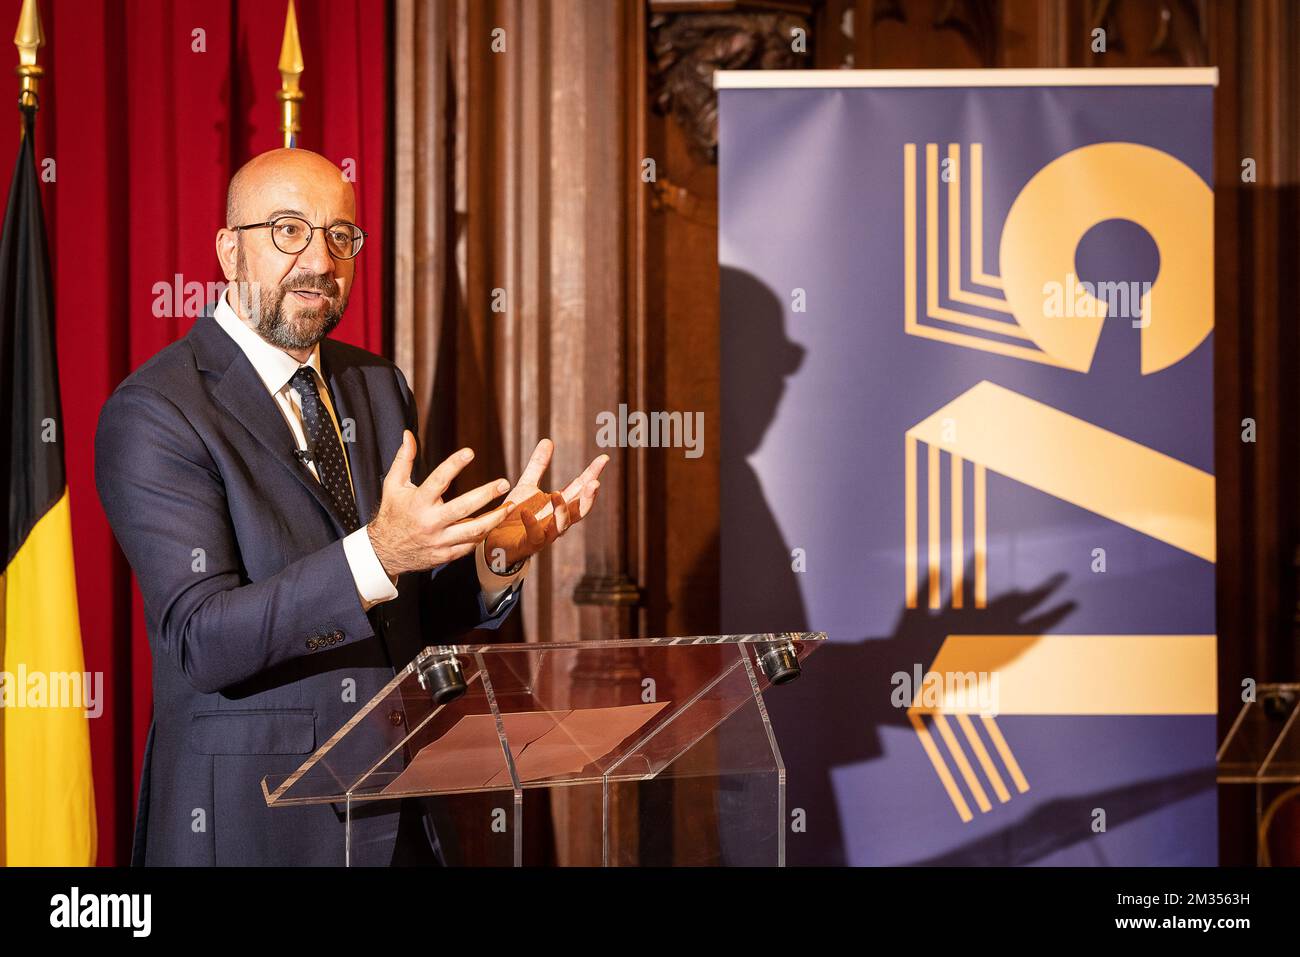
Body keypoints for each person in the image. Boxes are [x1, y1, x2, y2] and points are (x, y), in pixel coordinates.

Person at [94, 148, 607, 865]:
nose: (319, 259)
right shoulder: (157, 409)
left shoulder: (375, 385)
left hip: (398, 812)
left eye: (341, 236)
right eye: (288, 230)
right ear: (229, 251)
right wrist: (378, 552)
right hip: (253, 822)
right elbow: (202, 639)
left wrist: (494, 556)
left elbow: (400, 609)